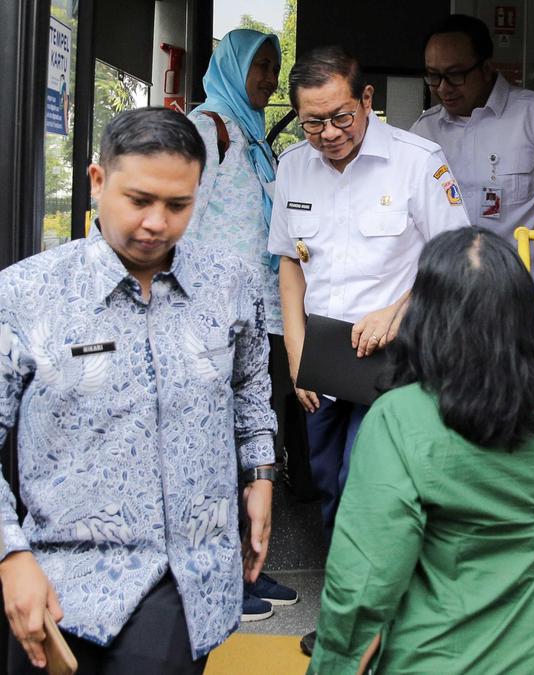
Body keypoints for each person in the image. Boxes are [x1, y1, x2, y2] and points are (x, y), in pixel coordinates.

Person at [0, 107, 277, 673]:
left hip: (187, 578)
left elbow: (250, 387)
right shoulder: (26, 294)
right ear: (98, 182)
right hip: (57, 577)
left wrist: (261, 475)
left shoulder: (230, 284)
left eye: (179, 205)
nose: (157, 222)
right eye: (140, 200)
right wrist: (11, 555)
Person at [267, 45, 470, 655]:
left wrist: (397, 310)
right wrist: (299, 355)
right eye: (312, 122)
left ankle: (379, 622)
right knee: (330, 485)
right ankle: (351, 608)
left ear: (367, 102)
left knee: (375, 486)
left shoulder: (417, 162)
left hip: (400, 358)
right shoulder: (292, 168)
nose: (327, 134)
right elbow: (289, 266)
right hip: (325, 358)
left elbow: (457, 259)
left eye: (340, 118)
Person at [307, 227, 534, 673]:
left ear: (426, 314)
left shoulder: (399, 416)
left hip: (441, 654)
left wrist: (332, 665)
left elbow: (365, 581)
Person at [187, 27, 299, 624]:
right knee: (216, 444)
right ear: (231, 68)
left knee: (254, 439)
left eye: (275, 67)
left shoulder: (255, 139)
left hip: (261, 313)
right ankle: (221, 575)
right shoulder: (210, 130)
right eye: (260, 66)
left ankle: (248, 563)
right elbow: (182, 217)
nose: (270, 79)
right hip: (212, 316)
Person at [410, 14, 534, 284]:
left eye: (455, 74)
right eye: (434, 76)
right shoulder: (424, 133)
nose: (443, 88)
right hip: (449, 293)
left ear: (486, 68)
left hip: (521, 291)